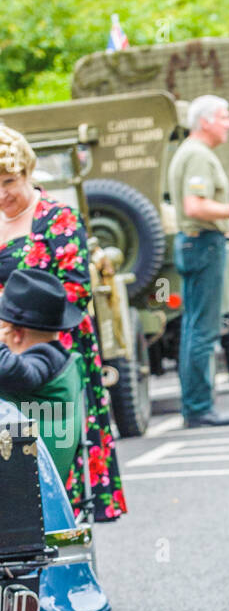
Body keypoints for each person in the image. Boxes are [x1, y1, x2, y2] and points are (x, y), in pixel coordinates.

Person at [0, 123, 126, 521]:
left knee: (54, 438)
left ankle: (59, 515)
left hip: (54, 341)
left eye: (9, 181)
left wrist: (29, 326)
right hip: (7, 337)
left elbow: (75, 290)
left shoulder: (58, 217)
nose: (2, 193)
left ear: (28, 173)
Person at [167, 94, 229, 427]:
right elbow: (194, 206)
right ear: (205, 121)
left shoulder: (192, 153)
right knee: (203, 329)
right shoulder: (197, 155)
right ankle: (197, 406)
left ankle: (196, 404)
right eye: (224, 116)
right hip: (203, 246)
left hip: (201, 241)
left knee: (196, 326)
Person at [0, 268, 84, 482]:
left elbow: (16, 372)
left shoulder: (42, 364)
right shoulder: (63, 361)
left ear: (16, 334)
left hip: (19, 491)